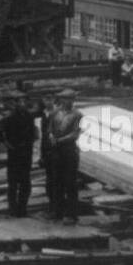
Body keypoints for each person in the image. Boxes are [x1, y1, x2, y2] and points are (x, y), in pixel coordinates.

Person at [49, 90, 83, 225]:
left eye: (70, 99)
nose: (67, 101)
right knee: (57, 182)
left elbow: (75, 134)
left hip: (69, 150)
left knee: (70, 183)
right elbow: (50, 129)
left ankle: (71, 214)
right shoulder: (55, 113)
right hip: (57, 151)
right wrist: (51, 137)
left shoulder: (78, 115)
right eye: (64, 98)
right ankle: (58, 211)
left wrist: (61, 140)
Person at [1, 95, 37, 218]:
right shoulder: (10, 118)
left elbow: (33, 134)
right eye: (19, 101)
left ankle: (22, 209)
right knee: (12, 183)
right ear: (15, 103)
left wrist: (29, 143)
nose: (22, 103)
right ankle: (12, 209)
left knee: (25, 183)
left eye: (24, 101)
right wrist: (8, 144)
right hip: (14, 153)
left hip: (26, 153)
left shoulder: (29, 117)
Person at [39, 96, 57, 213]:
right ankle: (51, 206)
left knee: (56, 180)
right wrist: (42, 154)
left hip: (56, 151)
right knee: (49, 181)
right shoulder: (43, 114)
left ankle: (56, 208)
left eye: (49, 99)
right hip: (47, 150)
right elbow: (43, 136)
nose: (47, 101)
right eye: (45, 99)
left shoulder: (57, 114)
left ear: (53, 100)